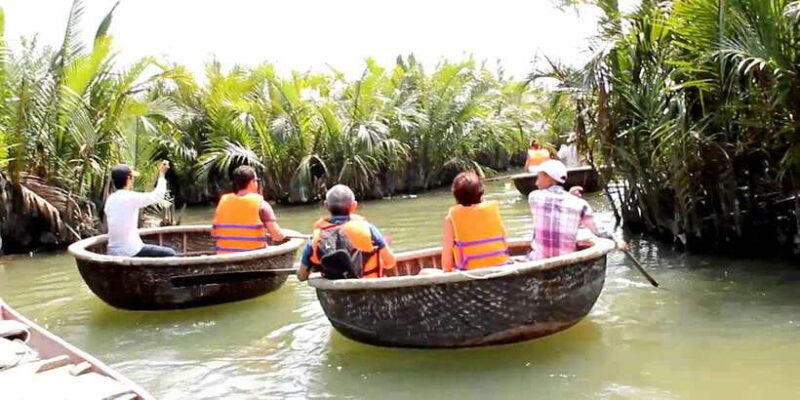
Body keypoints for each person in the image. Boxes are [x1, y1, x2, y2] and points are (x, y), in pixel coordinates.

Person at [528, 159, 627, 260]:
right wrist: (617, 241)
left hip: (539, 259)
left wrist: (569, 195)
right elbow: (598, 231)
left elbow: (553, 203)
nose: (536, 183)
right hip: (567, 261)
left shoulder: (534, 197)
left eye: (538, 177)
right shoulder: (580, 204)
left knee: (530, 253)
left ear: (549, 178)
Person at [296, 184, 396, 281]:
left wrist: (314, 267)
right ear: (354, 206)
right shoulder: (369, 229)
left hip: (336, 292)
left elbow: (302, 276)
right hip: (368, 286)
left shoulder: (315, 238)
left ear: (326, 205)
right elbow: (390, 262)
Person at [105, 161, 177, 257]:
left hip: (112, 251)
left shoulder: (110, 200)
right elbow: (157, 196)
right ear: (128, 178)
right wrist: (162, 174)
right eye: (132, 177)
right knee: (171, 253)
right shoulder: (130, 197)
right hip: (131, 251)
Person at [441, 172, 509, 272]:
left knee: (424, 272)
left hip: (469, 272)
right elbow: (504, 242)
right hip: (501, 267)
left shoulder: (451, 218)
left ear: (456, 196)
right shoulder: (493, 210)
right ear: (481, 192)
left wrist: (448, 271)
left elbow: (446, 264)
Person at [211, 166, 286, 254]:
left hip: (224, 255)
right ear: (252, 182)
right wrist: (283, 235)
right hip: (253, 256)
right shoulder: (262, 204)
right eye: (257, 180)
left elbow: (214, 233)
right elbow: (277, 236)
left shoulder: (223, 202)